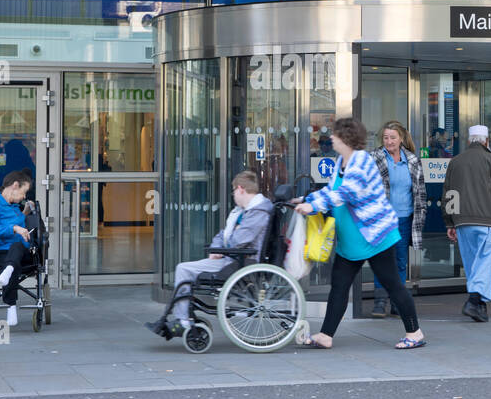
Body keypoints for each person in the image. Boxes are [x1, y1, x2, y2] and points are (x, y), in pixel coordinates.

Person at [293, 117, 426, 349]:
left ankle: (415, 333)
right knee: (339, 285)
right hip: (351, 240)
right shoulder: (340, 161)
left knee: (392, 284)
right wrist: (307, 199)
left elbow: (347, 191)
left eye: (334, 135)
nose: (330, 138)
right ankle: (325, 335)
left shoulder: (362, 161)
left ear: (345, 138)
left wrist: (312, 206)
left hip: (375, 237)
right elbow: (331, 190)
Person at [147, 170, 273, 338]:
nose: (233, 195)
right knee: (185, 269)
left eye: (234, 191)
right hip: (232, 257)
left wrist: (224, 245)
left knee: (183, 269)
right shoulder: (243, 211)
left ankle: (183, 321)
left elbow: (238, 240)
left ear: (241, 189)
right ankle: (181, 317)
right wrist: (216, 249)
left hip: (240, 262)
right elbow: (223, 235)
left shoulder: (258, 212)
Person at [442, 124, 491, 323]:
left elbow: (449, 195)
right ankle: (474, 299)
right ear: (487, 141)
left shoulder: (456, 162)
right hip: (487, 221)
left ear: (469, 141)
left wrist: (450, 223)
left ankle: (479, 306)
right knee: (485, 260)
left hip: (462, 222)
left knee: (473, 264)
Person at [369, 121, 426, 318]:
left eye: (393, 137)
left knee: (401, 262)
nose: (389, 141)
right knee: (382, 260)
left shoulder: (412, 160)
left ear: (401, 139)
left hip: (404, 218)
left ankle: (397, 301)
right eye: (385, 137)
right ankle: (380, 301)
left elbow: (420, 192)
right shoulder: (374, 158)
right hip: (382, 218)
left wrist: (420, 215)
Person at [0, 169, 38, 328]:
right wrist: (14, 228)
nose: (24, 196)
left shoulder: (15, 208)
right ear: (14, 185)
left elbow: (22, 228)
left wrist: (25, 213)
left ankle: (9, 274)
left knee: (17, 248)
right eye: (23, 191)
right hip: (1, 252)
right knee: (13, 262)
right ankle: (11, 306)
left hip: (20, 251)